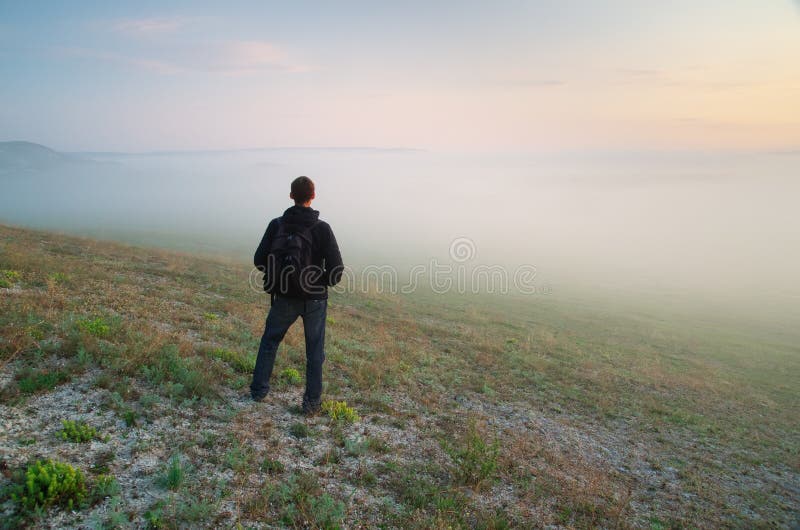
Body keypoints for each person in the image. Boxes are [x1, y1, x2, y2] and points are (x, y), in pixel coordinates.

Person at [250, 176, 344, 414]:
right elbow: (336, 271)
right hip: (315, 300)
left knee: (270, 342)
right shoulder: (322, 228)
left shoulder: (276, 225)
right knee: (314, 352)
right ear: (313, 196)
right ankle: (311, 405)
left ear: (291, 196)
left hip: (284, 296)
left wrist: (281, 277)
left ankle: (258, 392)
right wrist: (316, 281)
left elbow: (259, 259)